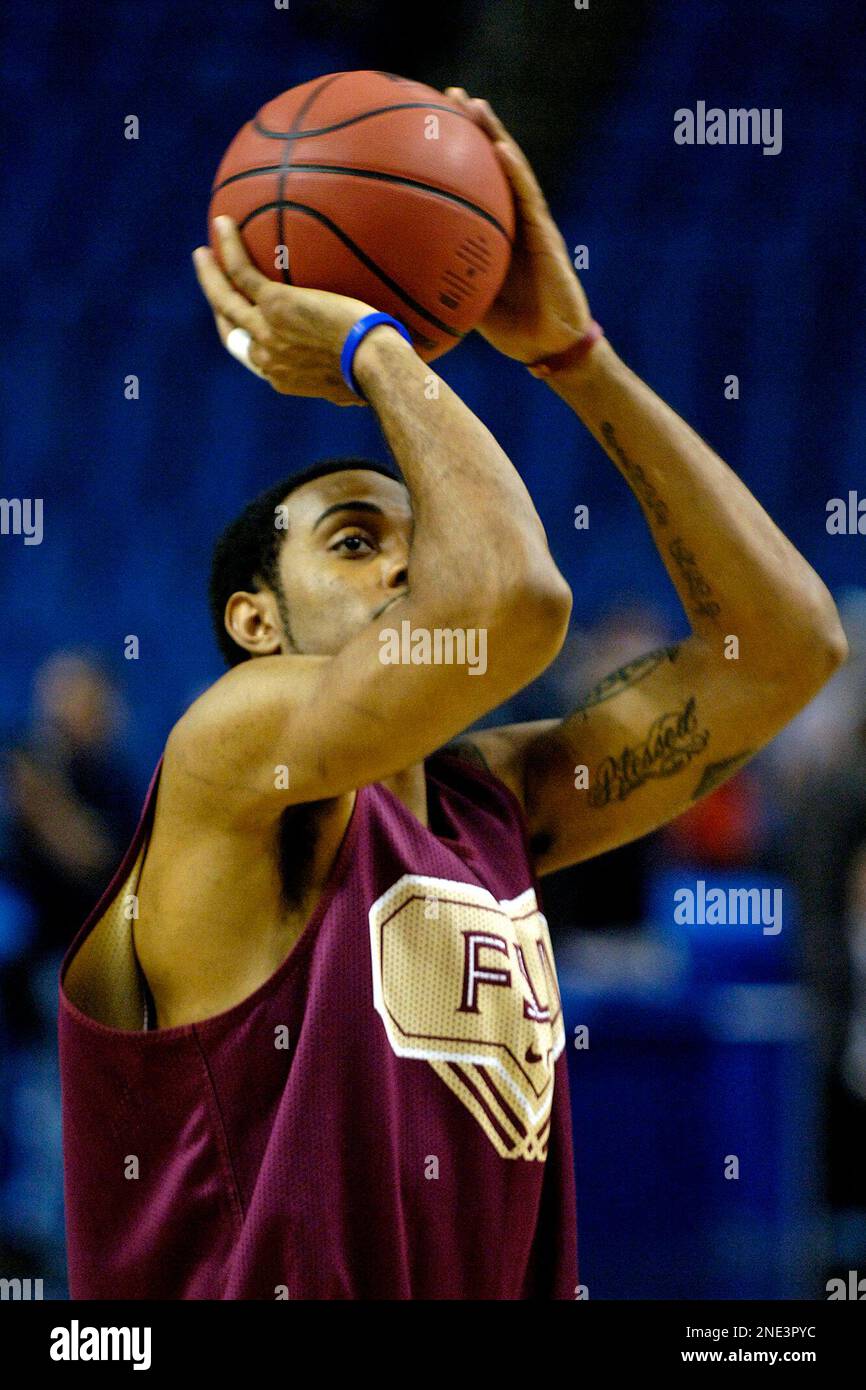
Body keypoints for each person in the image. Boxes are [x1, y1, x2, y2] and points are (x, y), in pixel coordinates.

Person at [57, 88, 848, 1300]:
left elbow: (787, 647)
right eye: (354, 540)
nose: (409, 564)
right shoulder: (233, 756)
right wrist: (376, 349)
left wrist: (576, 357)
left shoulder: (491, 809)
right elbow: (511, 602)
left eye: (421, 538)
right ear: (254, 622)